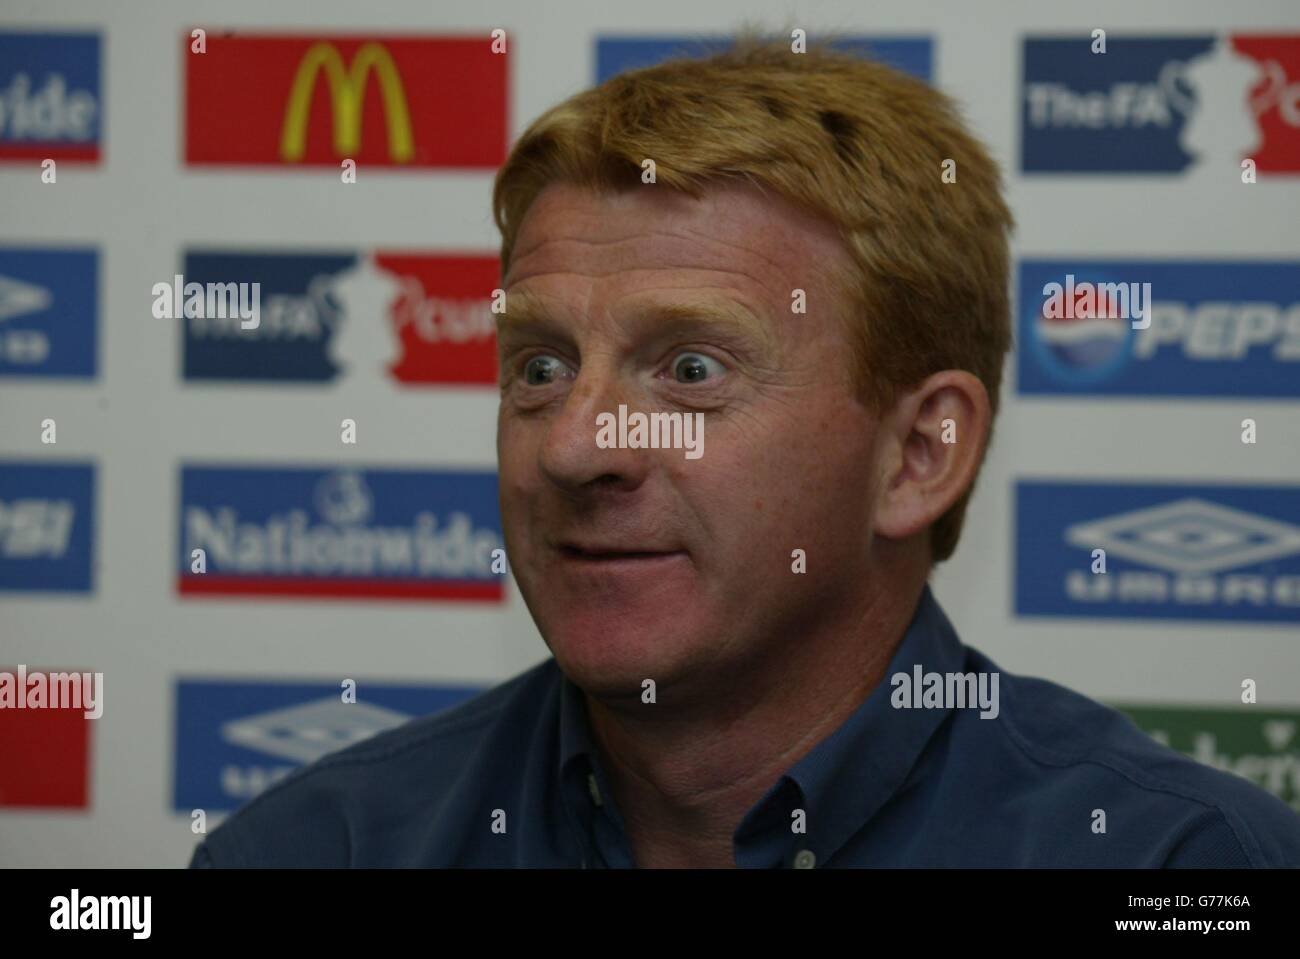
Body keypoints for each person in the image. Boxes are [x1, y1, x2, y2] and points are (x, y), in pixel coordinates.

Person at [190, 34, 1300, 868]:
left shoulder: (1175, 864)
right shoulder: (317, 848)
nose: (577, 446)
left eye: (690, 370)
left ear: (919, 453)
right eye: (538, 367)